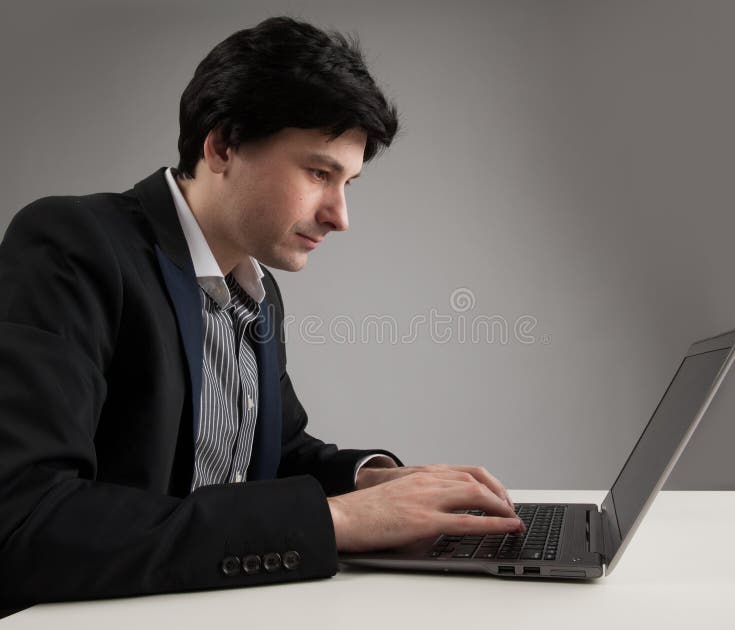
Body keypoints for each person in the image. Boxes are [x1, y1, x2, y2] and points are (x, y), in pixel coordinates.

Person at [0, 16, 524, 607]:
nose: (340, 215)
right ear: (222, 145)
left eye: (348, 181)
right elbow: (26, 520)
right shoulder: (74, 244)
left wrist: (369, 481)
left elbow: (274, 455)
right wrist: (338, 521)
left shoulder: (256, 290)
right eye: (319, 173)